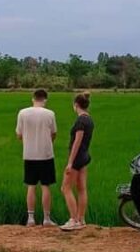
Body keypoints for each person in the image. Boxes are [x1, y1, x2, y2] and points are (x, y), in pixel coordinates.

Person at [15, 88, 57, 227]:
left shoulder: (23, 113)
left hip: (29, 154)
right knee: (46, 186)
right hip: (46, 155)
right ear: (45, 100)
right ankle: (46, 218)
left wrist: (28, 142)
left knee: (31, 186)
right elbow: (53, 134)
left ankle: (31, 218)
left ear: (33, 98)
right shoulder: (50, 114)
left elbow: (19, 135)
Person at [60, 92, 94, 232]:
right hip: (85, 156)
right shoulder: (89, 119)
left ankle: (74, 219)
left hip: (77, 157)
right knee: (81, 189)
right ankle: (81, 219)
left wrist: (70, 162)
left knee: (65, 188)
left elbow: (77, 142)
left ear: (76, 105)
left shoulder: (80, 121)